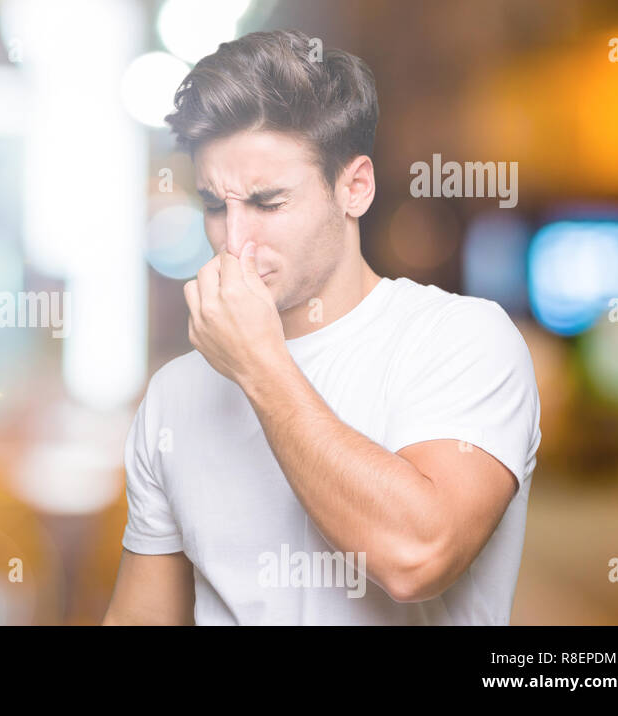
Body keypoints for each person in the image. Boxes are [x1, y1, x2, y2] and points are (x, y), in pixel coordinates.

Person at [102, 30, 541, 625]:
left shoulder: (462, 341)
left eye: (268, 202)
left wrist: (259, 366)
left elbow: (418, 556)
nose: (233, 242)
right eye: (213, 204)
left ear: (354, 188)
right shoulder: (176, 394)